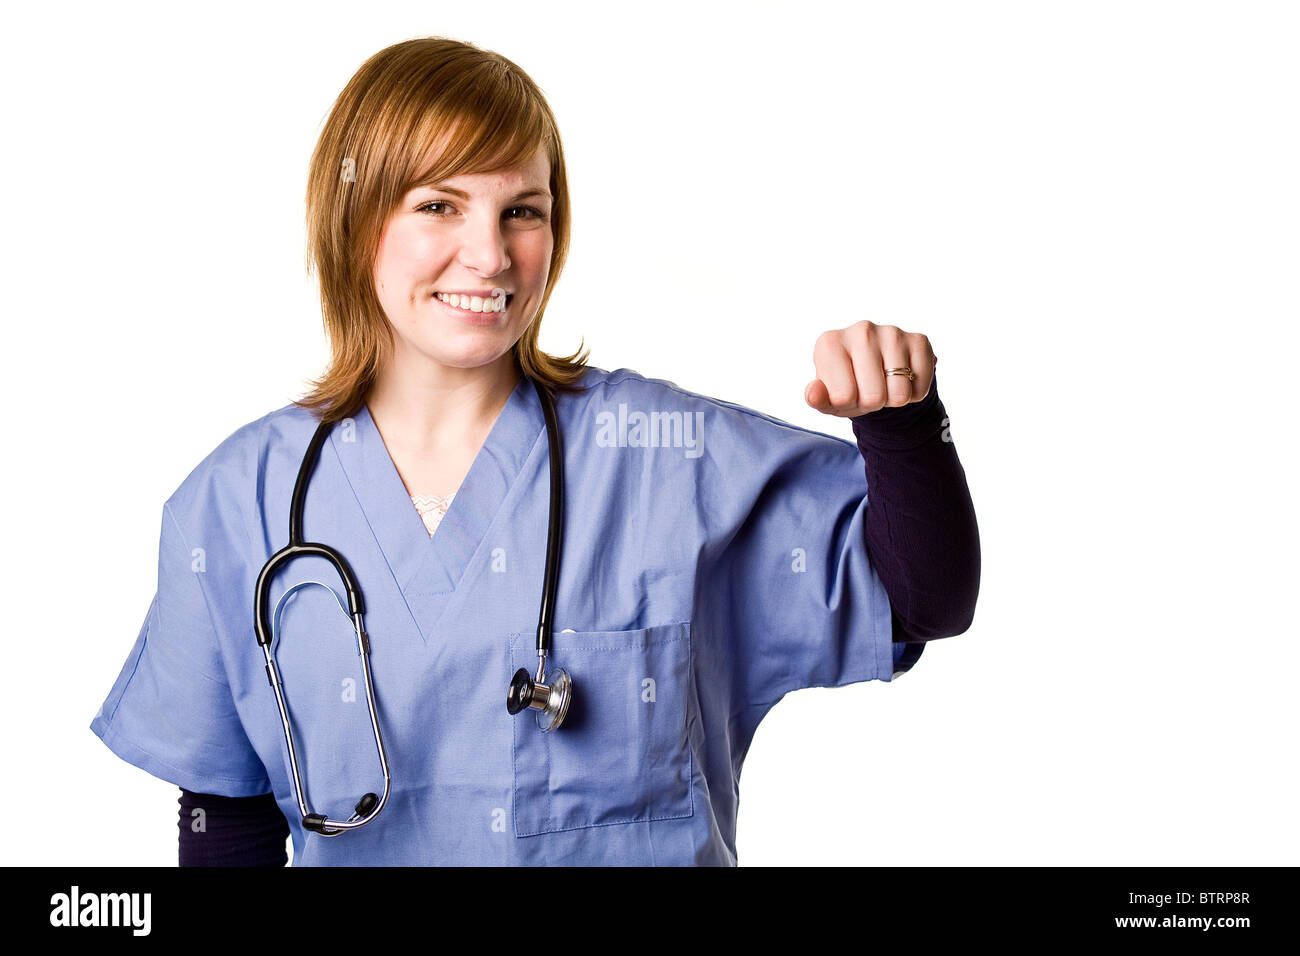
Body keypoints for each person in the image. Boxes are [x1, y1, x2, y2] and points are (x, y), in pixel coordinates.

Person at [90, 36, 980, 867]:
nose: (489, 255)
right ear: (356, 220)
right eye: (440, 204)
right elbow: (225, 814)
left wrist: (903, 424)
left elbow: (922, 600)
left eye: (523, 211)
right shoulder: (239, 501)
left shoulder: (666, 457)